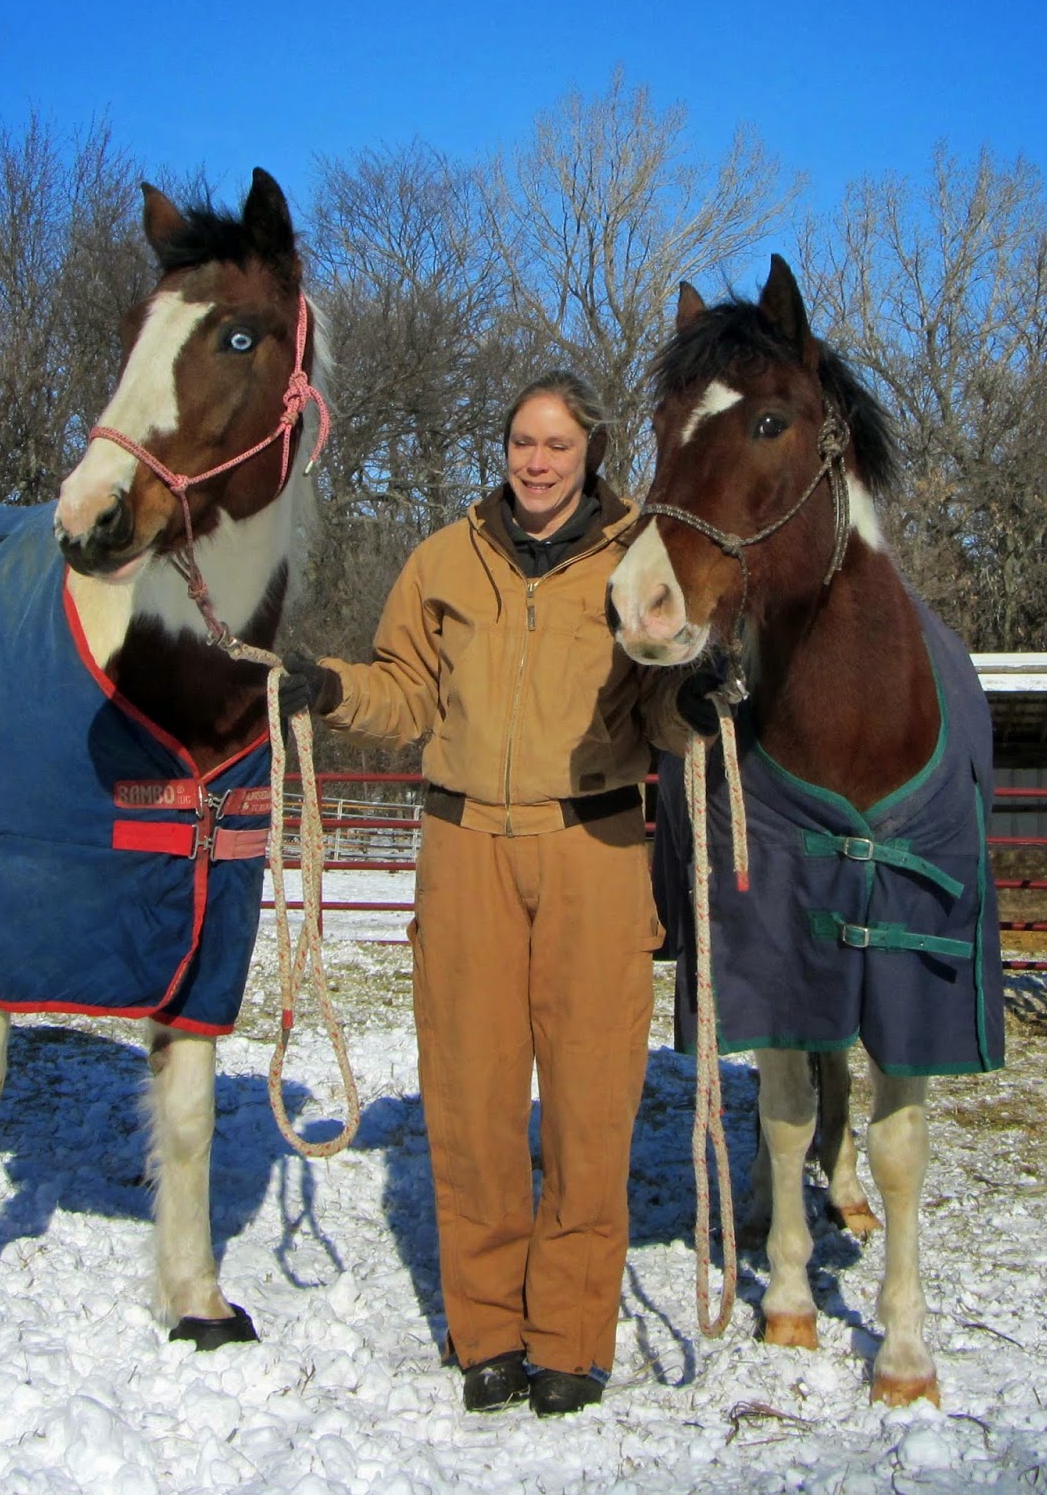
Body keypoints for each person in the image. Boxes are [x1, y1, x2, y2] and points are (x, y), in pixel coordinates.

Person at [281, 371, 717, 1418]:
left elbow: (663, 711)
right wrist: (330, 686)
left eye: (558, 445)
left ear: (592, 452)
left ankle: (569, 1336)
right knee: (471, 1098)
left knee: (589, 1103)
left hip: (593, 846)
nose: (537, 461)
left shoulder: (640, 559)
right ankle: (487, 1332)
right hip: (464, 843)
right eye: (523, 441)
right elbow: (404, 691)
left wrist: (700, 693)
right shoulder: (443, 558)